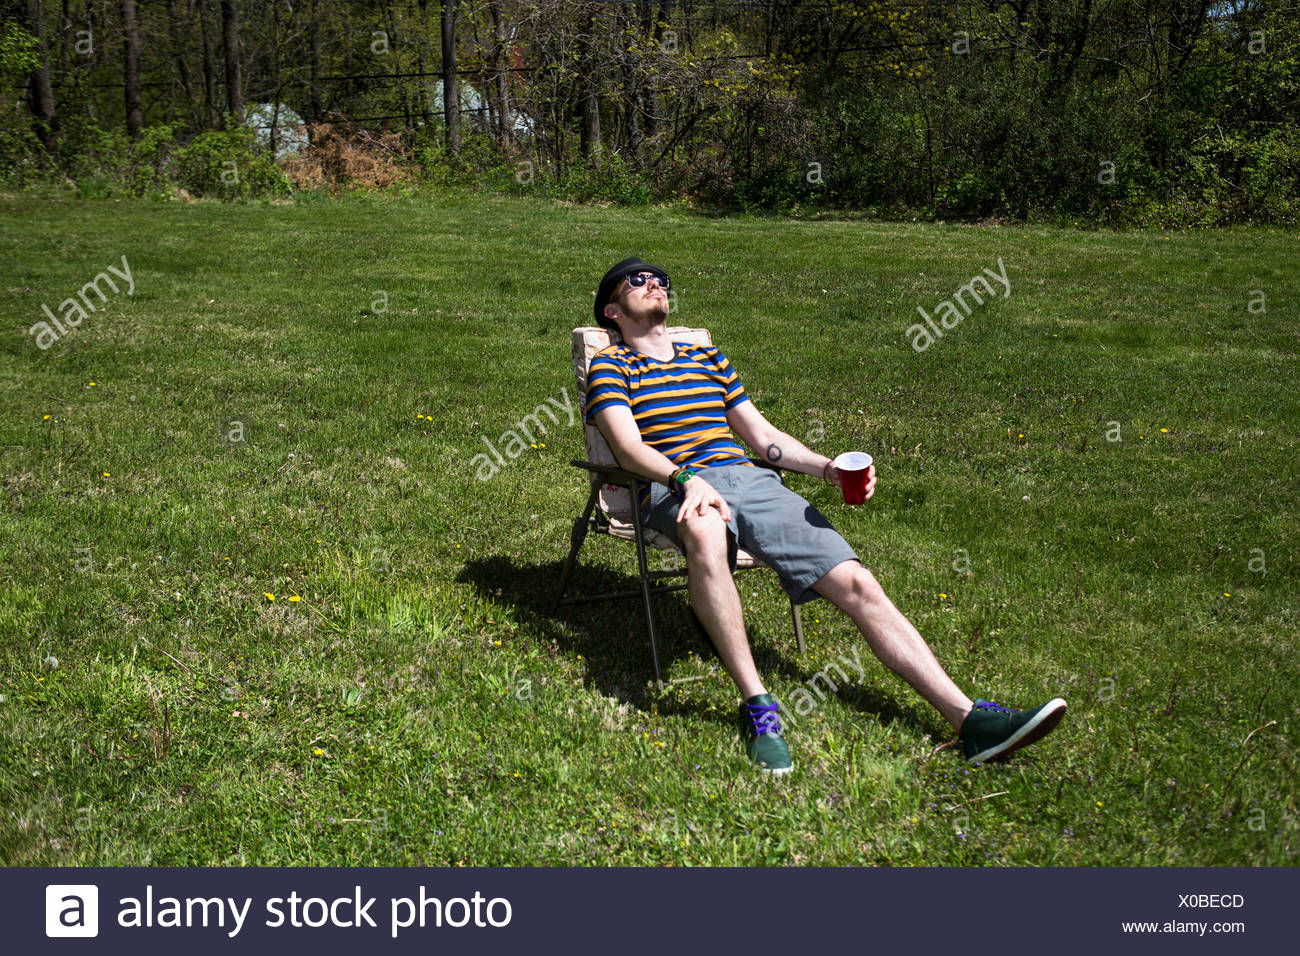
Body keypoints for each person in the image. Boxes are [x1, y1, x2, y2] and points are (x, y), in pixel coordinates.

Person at [583, 257, 1066, 775]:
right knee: (703, 530)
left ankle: (968, 719)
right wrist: (685, 479)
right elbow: (628, 448)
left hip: (751, 481)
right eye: (638, 279)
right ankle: (758, 707)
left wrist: (827, 469)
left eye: (661, 279)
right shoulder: (610, 366)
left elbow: (763, 438)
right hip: (671, 486)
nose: (654, 283)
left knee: (859, 583)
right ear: (613, 309)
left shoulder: (708, 358)